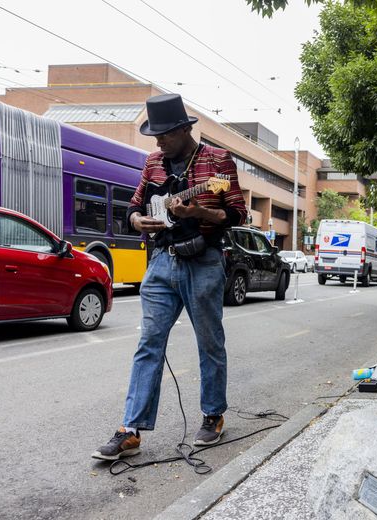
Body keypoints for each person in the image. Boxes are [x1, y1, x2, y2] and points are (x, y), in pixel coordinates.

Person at [93, 94, 247, 460]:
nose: (158, 142)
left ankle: (213, 415)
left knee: (209, 343)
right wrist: (136, 220)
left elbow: (238, 214)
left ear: (182, 130)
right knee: (149, 344)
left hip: (203, 260)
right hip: (161, 261)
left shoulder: (218, 163)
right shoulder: (153, 162)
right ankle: (130, 430)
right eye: (154, 135)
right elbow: (134, 204)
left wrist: (200, 213)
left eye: (163, 135)